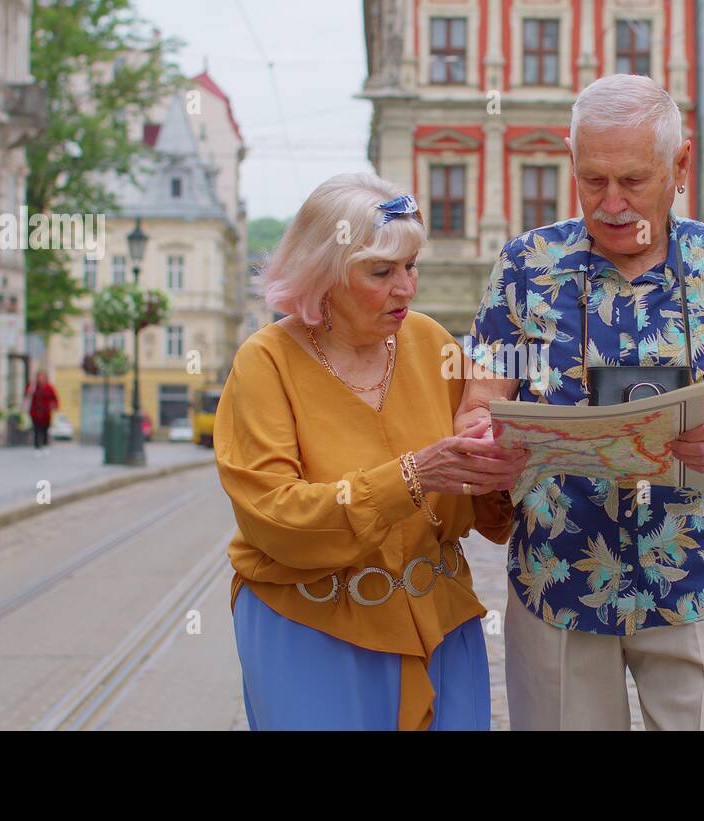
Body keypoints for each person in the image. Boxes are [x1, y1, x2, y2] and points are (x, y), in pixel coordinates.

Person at [455, 74, 704, 730]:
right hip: (558, 578)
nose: (611, 203)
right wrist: (488, 445)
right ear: (572, 162)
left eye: (633, 180)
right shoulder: (526, 267)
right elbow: (476, 408)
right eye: (593, 180)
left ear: (681, 165)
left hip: (696, 576)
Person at [214, 172, 529, 731]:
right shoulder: (265, 362)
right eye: (381, 272)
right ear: (323, 276)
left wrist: (500, 470)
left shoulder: (433, 344)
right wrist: (410, 475)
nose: (405, 287)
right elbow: (274, 518)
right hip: (312, 629)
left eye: (411, 266)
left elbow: (482, 511)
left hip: (441, 622)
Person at [24, 371, 59, 453]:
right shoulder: (32, 386)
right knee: (36, 429)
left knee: (45, 429)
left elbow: (54, 398)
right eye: (39, 377)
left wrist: (55, 407)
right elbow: (26, 394)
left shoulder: (49, 387)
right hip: (34, 412)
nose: (40, 379)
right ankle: (36, 447)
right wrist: (30, 390)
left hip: (46, 413)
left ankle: (45, 445)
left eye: (42, 377)